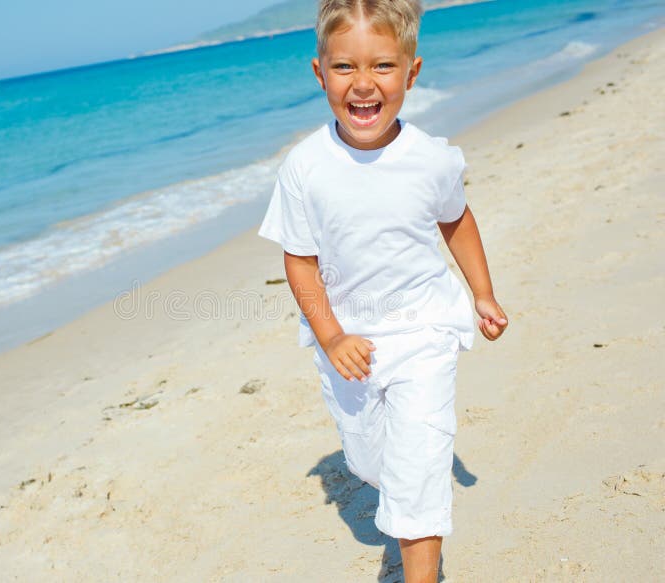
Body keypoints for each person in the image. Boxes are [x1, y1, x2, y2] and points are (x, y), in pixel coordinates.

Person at [257, 1, 509, 581]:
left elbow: (457, 221)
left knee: (419, 465)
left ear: (412, 73)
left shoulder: (431, 159)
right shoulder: (304, 167)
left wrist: (482, 293)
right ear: (320, 73)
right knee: (373, 463)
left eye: (383, 67)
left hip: (425, 329)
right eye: (345, 68)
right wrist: (332, 334)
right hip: (350, 346)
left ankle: (422, 567)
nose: (364, 85)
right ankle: (394, 487)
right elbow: (299, 261)